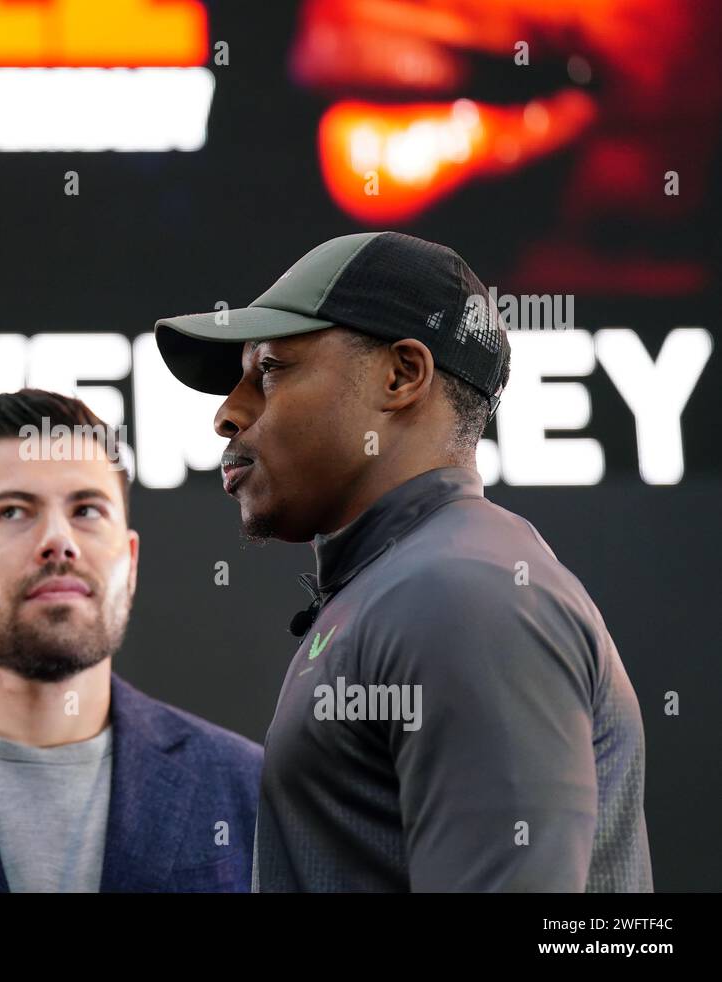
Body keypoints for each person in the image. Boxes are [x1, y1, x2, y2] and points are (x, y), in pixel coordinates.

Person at [154, 230, 653, 892]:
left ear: (401, 375)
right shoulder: (407, 582)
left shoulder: (460, 593)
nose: (227, 414)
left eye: (270, 370)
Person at [0, 389, 262, 892]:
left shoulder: (245, 789)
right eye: (12, 511)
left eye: (88, 510)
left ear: (132, 561)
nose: (60, 540)